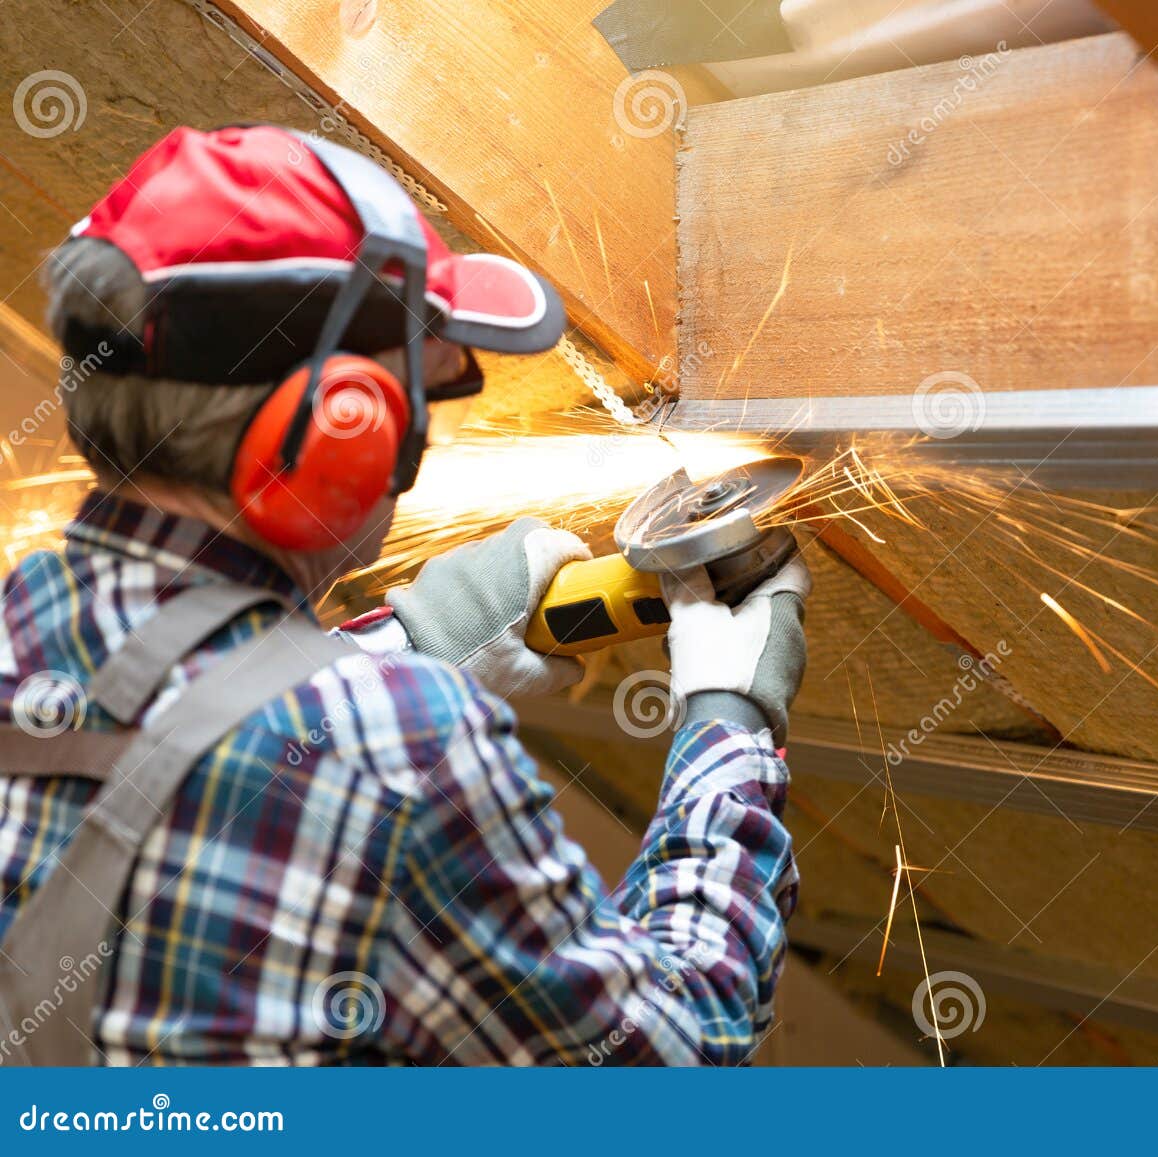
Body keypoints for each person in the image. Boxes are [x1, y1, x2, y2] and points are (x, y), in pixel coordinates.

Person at [0, 125, 808, 1066]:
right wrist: (729, 725)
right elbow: (673, 1056)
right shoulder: (404, 748)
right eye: (415, 395)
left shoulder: (23, 621)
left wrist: (417, 640)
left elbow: (172, 725)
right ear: (343, 430)